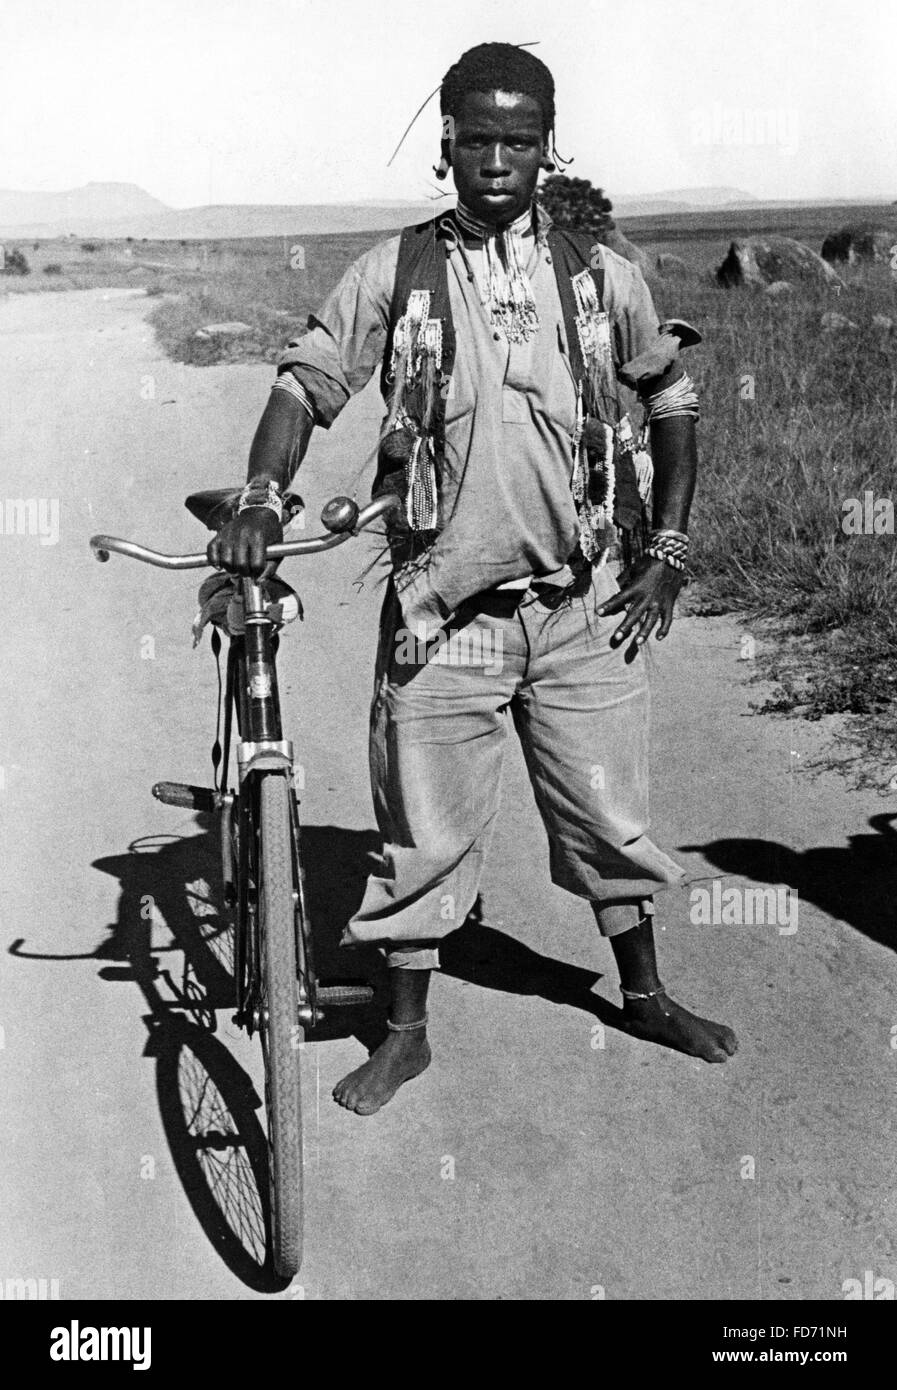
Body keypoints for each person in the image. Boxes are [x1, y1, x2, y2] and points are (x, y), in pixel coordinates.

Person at [209, 42, 738, 1115]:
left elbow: (670, 400)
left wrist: (668, 549)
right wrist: (263, 494)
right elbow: (306, 387)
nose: (498, 159)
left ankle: (642, 990)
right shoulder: (395, 272)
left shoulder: (599, 271)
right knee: (423, 831)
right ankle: (405, 1031)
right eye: (478, 137)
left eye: (520, 139)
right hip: (440, 614)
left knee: (609, 815)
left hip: (582, 606)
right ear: (445, 143)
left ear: (550, 148)